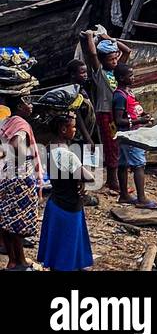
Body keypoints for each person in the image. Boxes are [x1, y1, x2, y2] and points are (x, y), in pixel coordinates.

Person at [37, 113, 95, 271]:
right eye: (73, 126)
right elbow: (89, 177)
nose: (75, 130)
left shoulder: (49, 147)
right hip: (69, 207)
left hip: (56, 202)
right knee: (68, 246)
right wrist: (82, 175)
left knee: (58, 247)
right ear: (63, 129)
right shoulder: (67, 155)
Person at [0, 73, 42, 270]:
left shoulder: (6, 121)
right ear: (19, 106)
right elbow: (17, 147)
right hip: (18, 179)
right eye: (27, 101)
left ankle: (12, 261)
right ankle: (21, 262)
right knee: (17, 224)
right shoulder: (21, 124)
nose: (31, 105)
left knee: (6, 222)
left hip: (5, 177)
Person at [82, 30, 130, 194]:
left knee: (117, 145)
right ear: (103, 61)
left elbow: (127, 51)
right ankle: (113, 181)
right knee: (111, 146)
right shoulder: (100, 73)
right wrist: (90, 37)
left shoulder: (117, 72)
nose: (115, 61)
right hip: (106, 115)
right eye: (111, 59)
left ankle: (112, 180)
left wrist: (110, 39)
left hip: (117, 113)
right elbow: (93, 54)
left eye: (116, 58)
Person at [112, 64, 157, 209]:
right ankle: (141, 198)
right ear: (121, 78)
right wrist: (139, 121)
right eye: (130, 76)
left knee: (124, 164)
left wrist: (144, 115)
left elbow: (134, 109)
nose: (133, 78)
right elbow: (118, 120)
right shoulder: (119, 95)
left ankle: (124, 195)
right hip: (130, 135)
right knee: (138, 165)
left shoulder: (128, 92)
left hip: (130, 134)